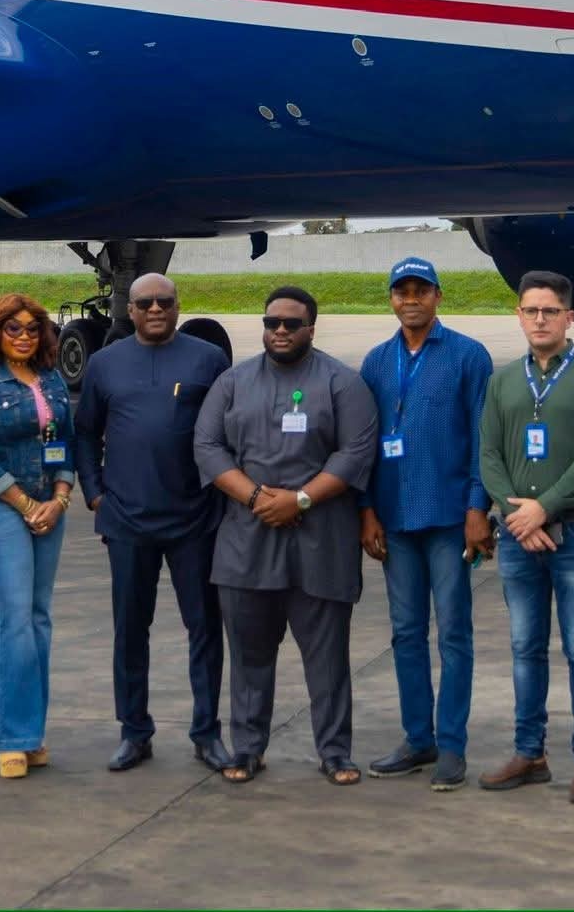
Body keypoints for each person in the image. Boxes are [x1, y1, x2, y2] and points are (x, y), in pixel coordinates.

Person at [194, 285, 379, 786]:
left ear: (311, 329)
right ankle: (248, 748)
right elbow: (208, 447)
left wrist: (299, 500)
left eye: (291, 324)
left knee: (327, 657)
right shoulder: (233, 382)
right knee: (249, 655)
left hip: (321, 540)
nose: (280, 330)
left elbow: (355, 452)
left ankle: (335, 752)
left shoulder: (342, 382)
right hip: (247, 541)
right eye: (272, 322)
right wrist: (257, 499)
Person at [72, 273, 234, 774]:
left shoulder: (208, 361)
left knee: (205, 627)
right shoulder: (103, 364)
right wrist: (96, 495)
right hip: (127, 520)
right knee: (130, 629)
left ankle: (207, 733)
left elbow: (229, 432)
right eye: (145, 303)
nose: (156, 309)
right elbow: (84, 435)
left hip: (194, 519)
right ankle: (134, 731)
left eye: (165, 301)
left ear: (178, 306)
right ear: (133, 310)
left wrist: (221, 498)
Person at [477, 270, 574, 804]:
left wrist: (544, 509)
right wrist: (518, 517)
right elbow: (488, 453)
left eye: (550, 311)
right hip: (518, 536)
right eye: (531, 310)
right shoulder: (503, 380)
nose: (540, 319)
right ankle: (529, 752)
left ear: (569, 317)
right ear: (518, 315)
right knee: (524, 648)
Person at [358, 256, 494, 792]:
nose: (410, 299)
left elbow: (484, 438)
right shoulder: (374, 362)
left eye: (421, 290)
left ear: (439, 296)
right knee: (405, 633)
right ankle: (419, 738)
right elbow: (364, 445)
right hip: (393, 519)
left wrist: (477, 508)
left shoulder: (468, 356)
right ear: (391, 299)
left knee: (454, 633)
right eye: (401, 291)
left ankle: (452, 745)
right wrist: (366, 511)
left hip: (448, 518)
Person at [0, 293, 74, 779]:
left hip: (50, 504)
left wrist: (60, 497)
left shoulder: (52, 380)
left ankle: (34, 735)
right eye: (12, 328)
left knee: (40, 617)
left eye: (31, 328)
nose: (23, 336)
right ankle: (13, 738)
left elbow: (67, 441)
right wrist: (25, 503)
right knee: (15, 619)